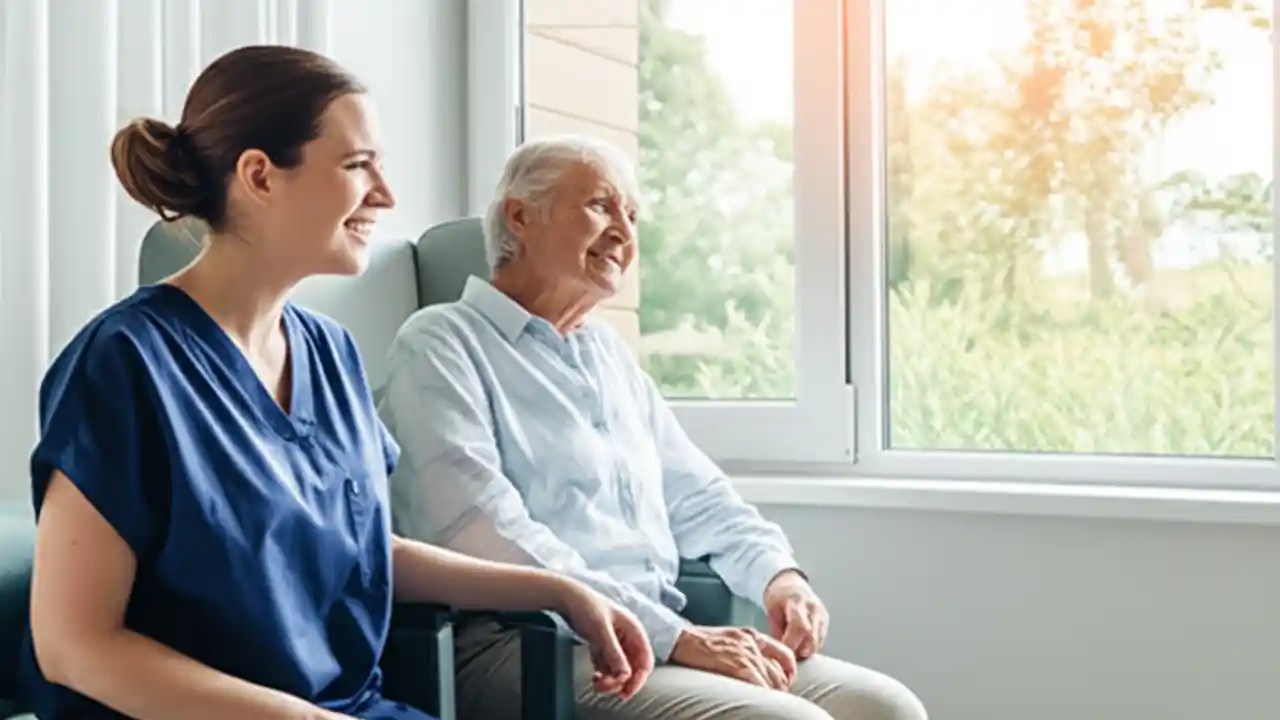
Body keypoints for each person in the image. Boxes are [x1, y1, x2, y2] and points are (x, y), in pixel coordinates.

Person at [21, 48, 652, 720]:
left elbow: (361, 547)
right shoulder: (125, 362)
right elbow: (74, 646)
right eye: (358, 166)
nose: (386, 194)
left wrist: (559, 590)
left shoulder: (330, 354)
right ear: (260, 176)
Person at [380, 135, 927, 719]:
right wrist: (675, 636)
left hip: (654, 637)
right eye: (600, 206)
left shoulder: (606, 355)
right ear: (520, 216)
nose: (623, 231)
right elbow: (476, 528)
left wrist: (779, 576)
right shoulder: (441, 342)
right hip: (526, 643)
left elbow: (696, 494)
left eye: (632, 216)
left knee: (883, 708)